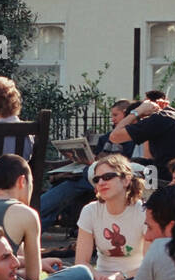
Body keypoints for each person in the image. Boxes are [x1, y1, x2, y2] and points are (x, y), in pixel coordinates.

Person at [39, 98, 139, 230]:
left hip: (107, 177)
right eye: (112, 116)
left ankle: (33, 212)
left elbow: (127, 162)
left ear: (126, 113)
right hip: (92, 172)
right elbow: (97, 157)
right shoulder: (106, 138)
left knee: (69, 186)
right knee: (59, 196)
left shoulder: (131, 136)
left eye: (116, 115)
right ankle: (34, 222)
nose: (113, 119)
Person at [74, 153, 146, 280]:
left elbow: (150, 264)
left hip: (134, 279)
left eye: (108, 177)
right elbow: (81, 262)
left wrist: (120, 276)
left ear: (126, 180)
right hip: (100, 278)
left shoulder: (143, 211)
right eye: (97, 179)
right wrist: (99, 277)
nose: (101, 183)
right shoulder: (90, 211)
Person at [108, 95, 175, 184]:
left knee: (113, 172)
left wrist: (137, 111)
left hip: (165, 180)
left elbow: (114, 137)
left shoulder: (159, 119)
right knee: (127, 163)